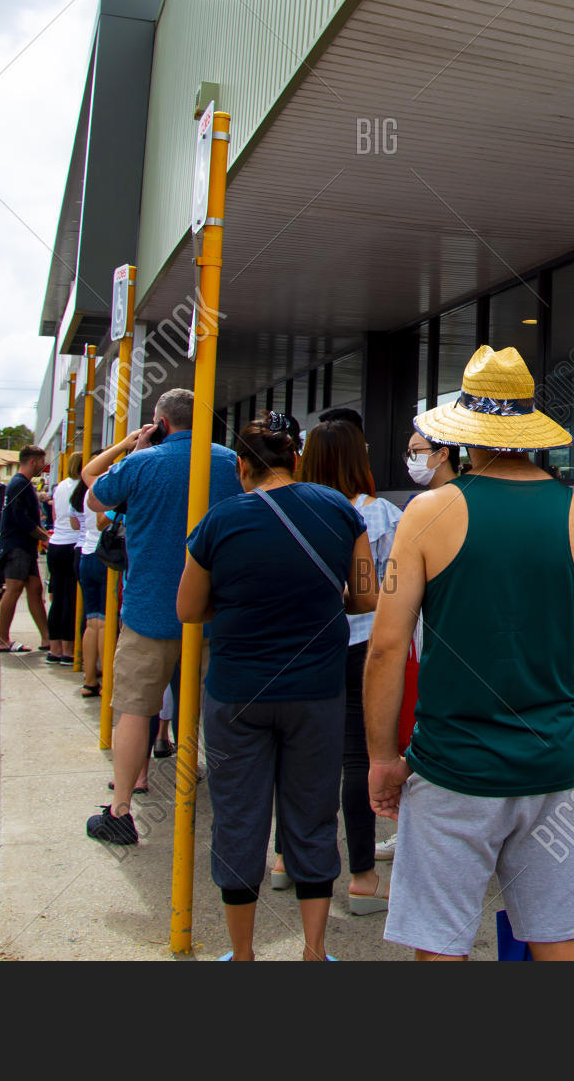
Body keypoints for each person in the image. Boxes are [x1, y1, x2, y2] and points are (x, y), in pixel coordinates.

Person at [364, 346, 574, 961]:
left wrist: (382, 757)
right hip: (551, 767)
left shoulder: (429, 513)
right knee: (559, 938)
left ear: (465, 435)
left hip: (452, 769)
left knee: (440, 944)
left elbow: (387, 647)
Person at [178, 411, 379, 960]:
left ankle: (241, 955)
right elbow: (366, 596)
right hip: (316, 691)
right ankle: (314, 951)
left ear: (241, 465)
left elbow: (188, 609)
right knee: (313, 814)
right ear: (295, 459)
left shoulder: (219, 522)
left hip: (237, 692)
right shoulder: (341, 510)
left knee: (239, 815)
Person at [82, 389, 241, 844]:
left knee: (134, 709)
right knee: (219, 710)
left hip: (149, 609)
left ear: (161, 422)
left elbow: (95, 498)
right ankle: (230, 808)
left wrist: (135, 448)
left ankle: (121, 810)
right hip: (215, 610)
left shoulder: (141, 463)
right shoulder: (230, 462)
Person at [283, 417, 402, 914]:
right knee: (358, 757)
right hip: (361, 647)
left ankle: (283, 860)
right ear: (359, 458)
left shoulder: (291, 511)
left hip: (302, 645)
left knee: (297, 756)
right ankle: (362, 876)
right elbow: (384, 594)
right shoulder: (382, 516)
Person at [374, 424, 460, 863]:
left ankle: (420, 832)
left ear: (443, 454)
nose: (410, 460)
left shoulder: (430, 508)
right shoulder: (427, 504)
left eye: (417, 451)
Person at [0, 445, 51, 653]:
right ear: (33, 461)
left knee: (35, 589)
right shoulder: (19, 484)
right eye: (42, 462)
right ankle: (2, 639)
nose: (44, 467)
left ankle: (47, 638)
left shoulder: (22, 484)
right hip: (16, 546)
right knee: (14, 588)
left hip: (24, 547)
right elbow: (21, 518)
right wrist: (44, 536)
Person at [44, 454, 82, 665]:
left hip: (56, 543)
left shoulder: (59, 487)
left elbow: (55, 513)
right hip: (72, 543)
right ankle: (68, 650)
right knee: (70, 599)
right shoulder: (82, 487)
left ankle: (54, 648)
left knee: (56, 598)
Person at [75, 488, 111, 698]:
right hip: (104, 555)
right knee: (105, 624)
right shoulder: (107, 489)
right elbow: (102, 521)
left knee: (92, 623)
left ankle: (89, 680)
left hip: (86, 553)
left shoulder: (88, 490)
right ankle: (107, 681)